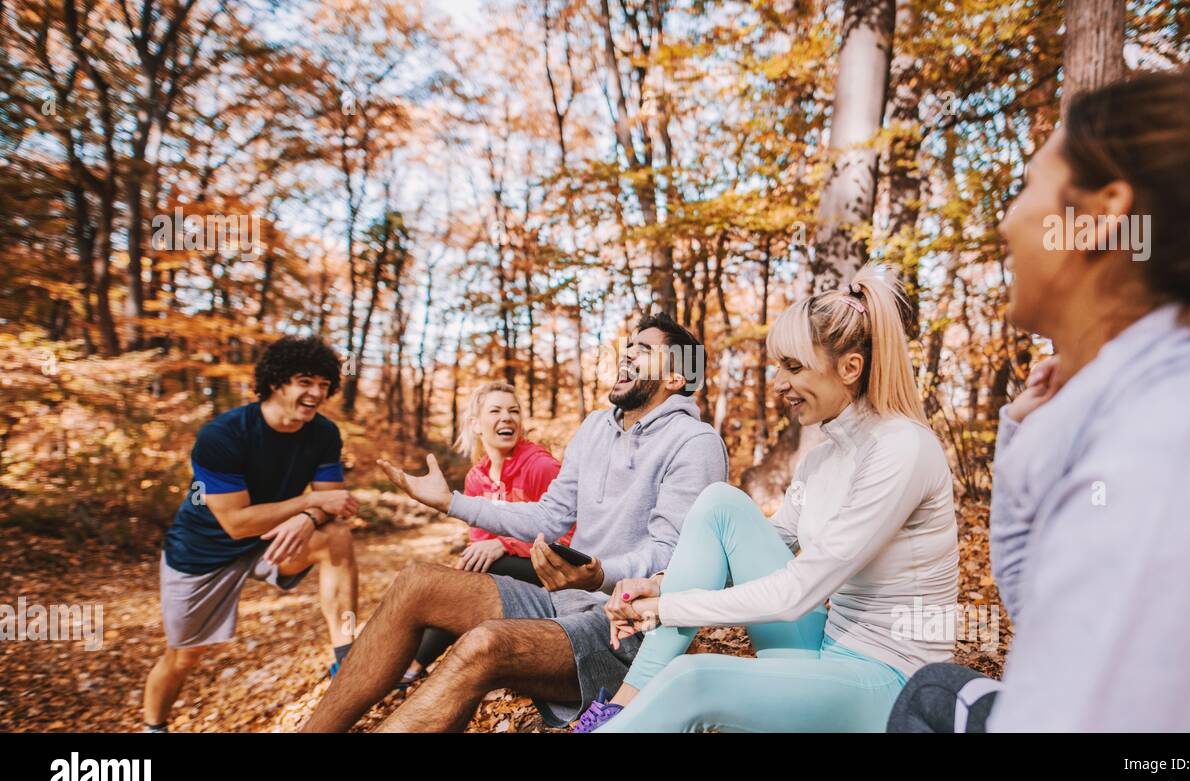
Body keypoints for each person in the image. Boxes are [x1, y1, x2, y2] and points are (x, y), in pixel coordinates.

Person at [890, 66, 1190, 732]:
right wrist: (1023, 438)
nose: (1005, 222)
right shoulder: (1170, 389)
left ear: (1102, 215)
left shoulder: (1170, 452)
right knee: (935, 689)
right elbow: (1039, 607)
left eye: (1026, 187)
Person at [300, 313, 728, 732]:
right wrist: (451, 502)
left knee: (485, 643)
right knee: (418, 581)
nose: (627, 356)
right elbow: (548, 515)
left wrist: (599, 574)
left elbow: (674, 558)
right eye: (628, 347)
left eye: (644, 351)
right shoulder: (596, 426)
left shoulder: (695, 443)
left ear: (674, 378)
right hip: (560, 607)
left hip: (626, 632)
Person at [577, 268, 959, 733]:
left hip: (890, 681)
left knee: (694, 678)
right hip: (824, 651)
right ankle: (622, 709)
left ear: (850, 368)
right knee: (721, 503)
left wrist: (667, 609)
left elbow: (797, 591)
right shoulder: (822, 457)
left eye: (794, 367)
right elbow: (766, 541)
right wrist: (661, 584)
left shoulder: (902, 448)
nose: (778, 384)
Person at [143, 336, 360, 732]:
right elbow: (237, 523)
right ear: (276, 382)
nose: (316, 393)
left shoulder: (324, 434)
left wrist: (309, 518)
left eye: (324, 385)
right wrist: (307, 507)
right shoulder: (223, 435)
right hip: (201, 552)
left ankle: (347, 654)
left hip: (272, 542)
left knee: (337, 537)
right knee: (184, 657)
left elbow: (332, 505)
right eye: (304, 382)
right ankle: (154, 726)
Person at [401, 380, 572, 686]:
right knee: (463, 574)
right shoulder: (475, 478)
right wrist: (490, 549)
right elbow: (479, 545)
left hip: (558, 576)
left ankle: (414, 663)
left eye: (514, 411)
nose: (507, 417)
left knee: (484, 568)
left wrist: (504, 544)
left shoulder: (541, 467)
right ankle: (408, 659)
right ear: (476, 424)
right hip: (512, 576)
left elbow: (569, 538)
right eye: (495, 410)